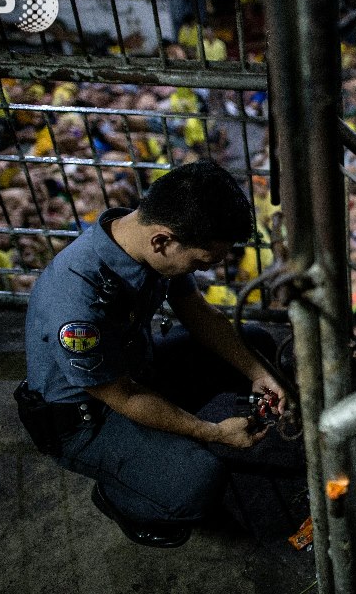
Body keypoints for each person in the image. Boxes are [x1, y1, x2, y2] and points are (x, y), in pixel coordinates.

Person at [19, 160, 287, 548]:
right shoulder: (76, 303)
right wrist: (212, 432)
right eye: (202, 261)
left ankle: (162, 451)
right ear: (162, 241)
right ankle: (121, 496)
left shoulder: (146, 239)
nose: (207, 269)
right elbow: (123, 397)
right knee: (198, 483)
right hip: (86, 417)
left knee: (256, 345)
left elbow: (196, 311)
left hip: (136, 367)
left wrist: (258, 372)